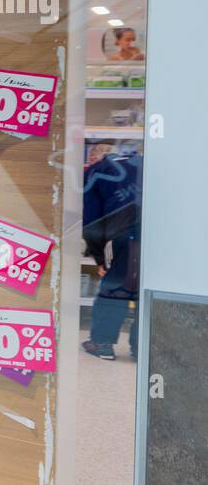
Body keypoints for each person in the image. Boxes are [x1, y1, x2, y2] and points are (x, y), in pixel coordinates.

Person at [81, 149, 142, 359]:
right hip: (157, 237)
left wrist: (99, 258)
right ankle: (143, 348)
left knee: (114, 288)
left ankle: (102, 343)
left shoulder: (96, 171)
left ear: (96, 155)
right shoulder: (147, 162)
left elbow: (91, 220)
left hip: (121, 235)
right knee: (147, 290)